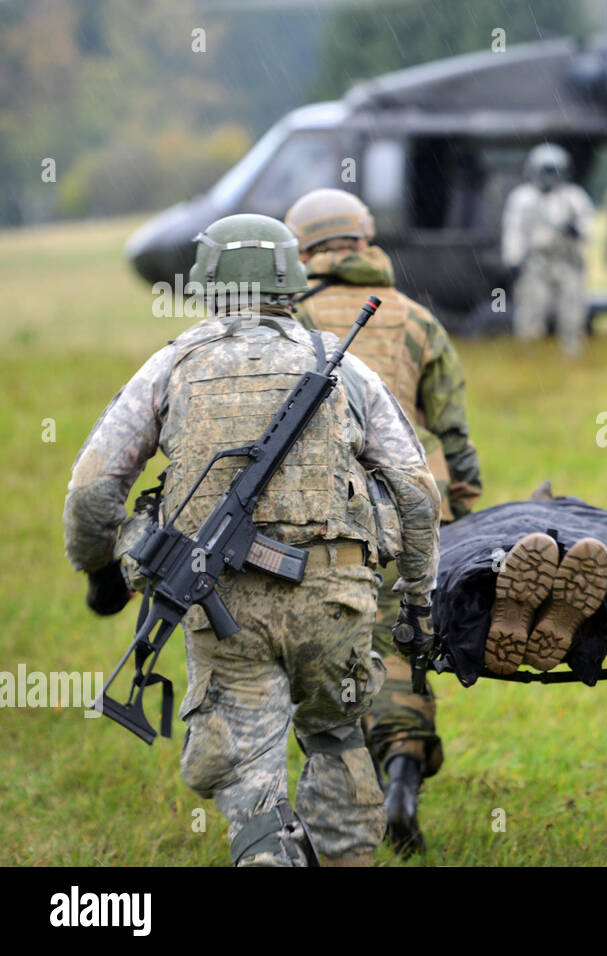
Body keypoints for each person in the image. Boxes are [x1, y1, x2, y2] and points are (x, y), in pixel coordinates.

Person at [64, 214, 441, 866]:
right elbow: (416, 493)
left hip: (225, 604)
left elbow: (93, 490)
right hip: (337, 600)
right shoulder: (345, 368)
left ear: (206, 282)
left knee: (243, 760)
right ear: (291, 280)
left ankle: (267, 853)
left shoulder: (171, 364)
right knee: (337, 739)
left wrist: (101, 571)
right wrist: (418, 595)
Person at [285, 187, 481, 854]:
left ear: (302, 250)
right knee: (404, 643)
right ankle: (401, 771)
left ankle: (332, 804)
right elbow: (454, 434)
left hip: (317, 520)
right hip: (408, 509)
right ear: (366, 243)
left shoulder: (287, 318)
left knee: (328, 651)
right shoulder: (414, 318)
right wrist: (463, 509)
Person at [501, 143, 594, 357]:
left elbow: (588, 225)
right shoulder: (523, 198)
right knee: (531, 309)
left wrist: (576, 231)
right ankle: (528, 353)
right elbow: (514, 230)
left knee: (572, 310)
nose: (549, 177)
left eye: (553, 172)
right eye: (545, 171)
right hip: (537, 262)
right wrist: (513, 259)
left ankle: (571, 352)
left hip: (567, 261)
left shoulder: (574, 197)